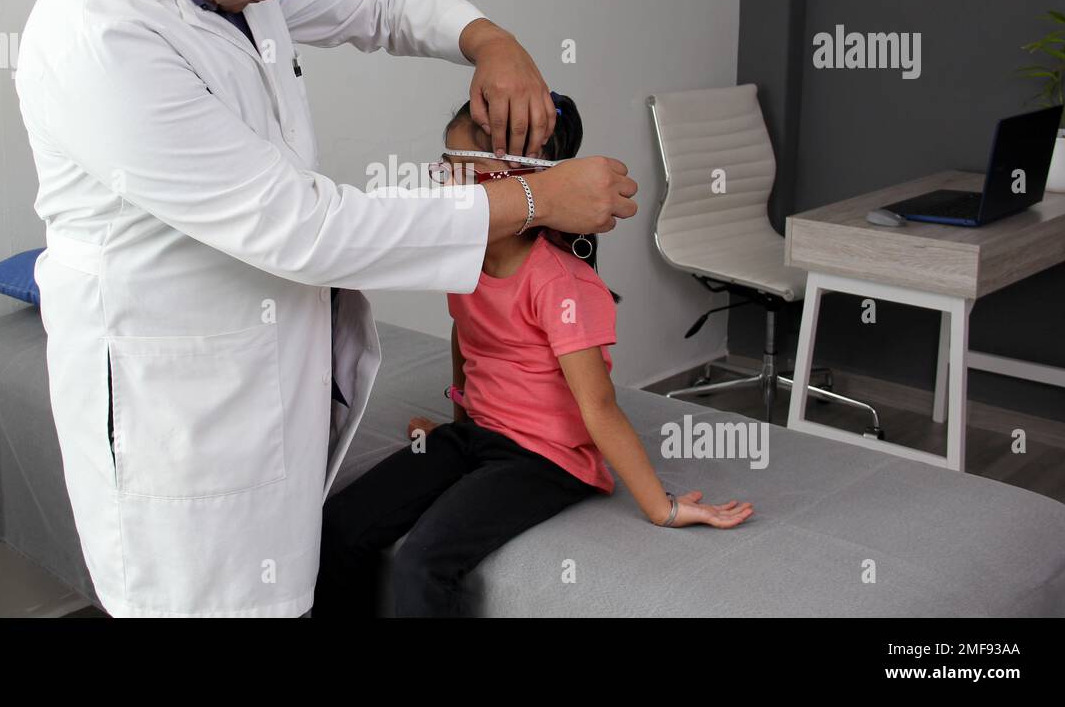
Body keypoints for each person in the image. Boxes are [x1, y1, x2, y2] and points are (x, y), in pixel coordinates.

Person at [14, 0, 637, 617]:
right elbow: (303, 227)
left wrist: (491, 41)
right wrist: (536, 200)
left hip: (270, 373)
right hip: (180, 420)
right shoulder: (104, 39)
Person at [313, 92, 752, 617]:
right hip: (479, 438)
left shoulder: (561, 283)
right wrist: (459, 423)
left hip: (545, 460)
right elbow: (466, 335)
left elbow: (600, 405)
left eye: (464, 170)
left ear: (522, 188)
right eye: (447, 165)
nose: (449, 182)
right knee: (339, 526)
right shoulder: (465, 260)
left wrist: (663, 506)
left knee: (422, 562)